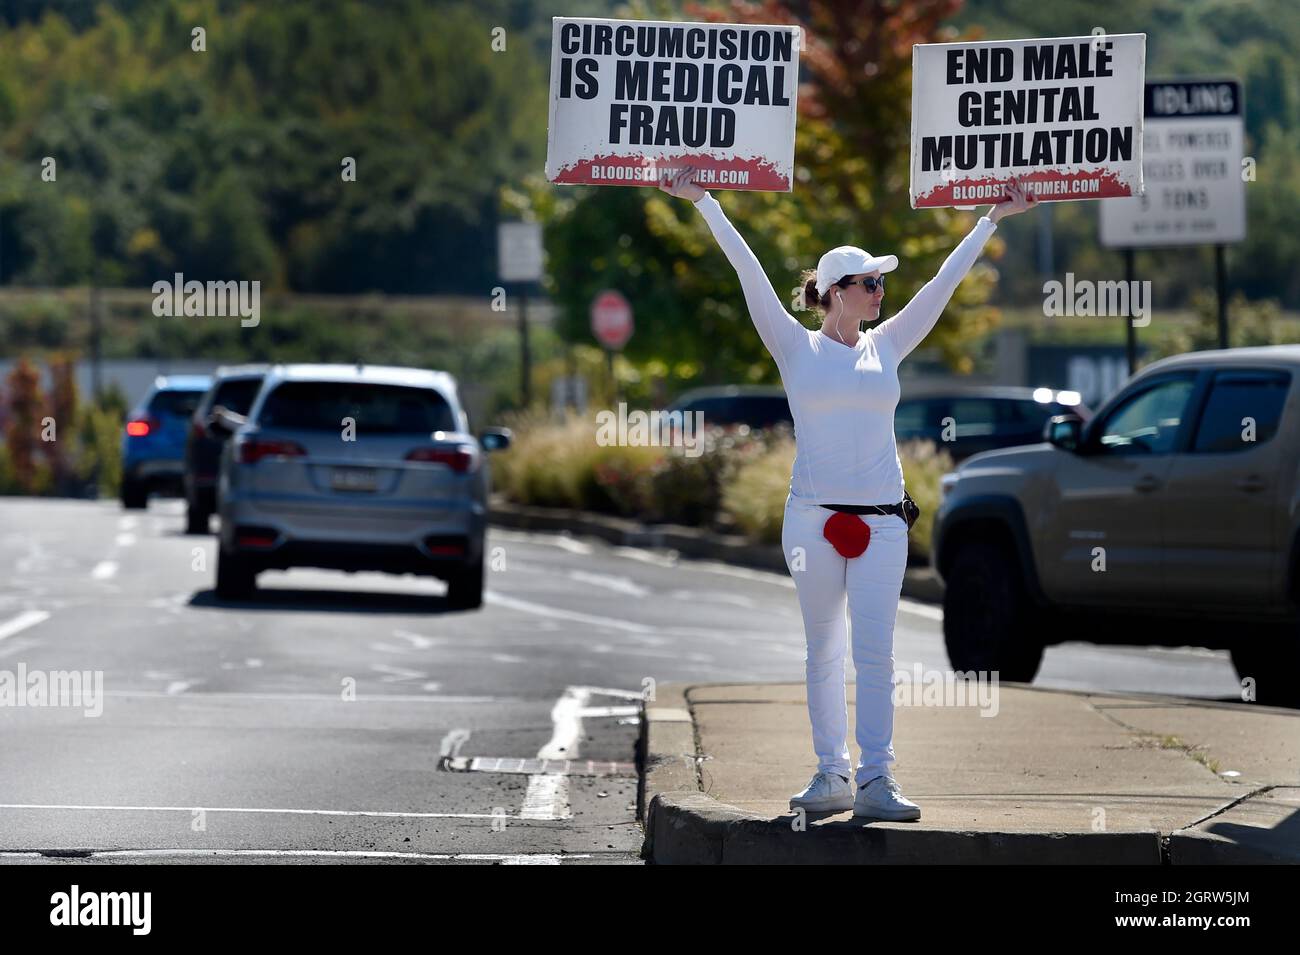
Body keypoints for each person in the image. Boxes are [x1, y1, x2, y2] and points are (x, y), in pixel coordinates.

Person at [658, 165, 1038, 819]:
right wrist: (705, 202)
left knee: (876, 652)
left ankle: (876, 780)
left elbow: (943, 286)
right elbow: (747, 269)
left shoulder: (886, 345)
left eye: (882, 282)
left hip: (884, 523)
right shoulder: (794, 346)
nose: (881, 291)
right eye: (868, 283)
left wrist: (989, 220)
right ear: (835, 291)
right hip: (812, 522)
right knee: (823, 649)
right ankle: (831, 774)